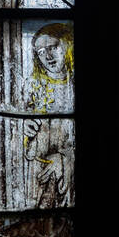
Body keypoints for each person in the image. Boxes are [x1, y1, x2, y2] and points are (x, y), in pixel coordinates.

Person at [23, 23, 75, 208]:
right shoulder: (31, 87)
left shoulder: (75, 82)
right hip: (39, 168)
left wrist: (67, 158)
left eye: (53, 47)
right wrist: (24, 131)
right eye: (41, 52)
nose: (49, 57)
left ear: (67, 44)